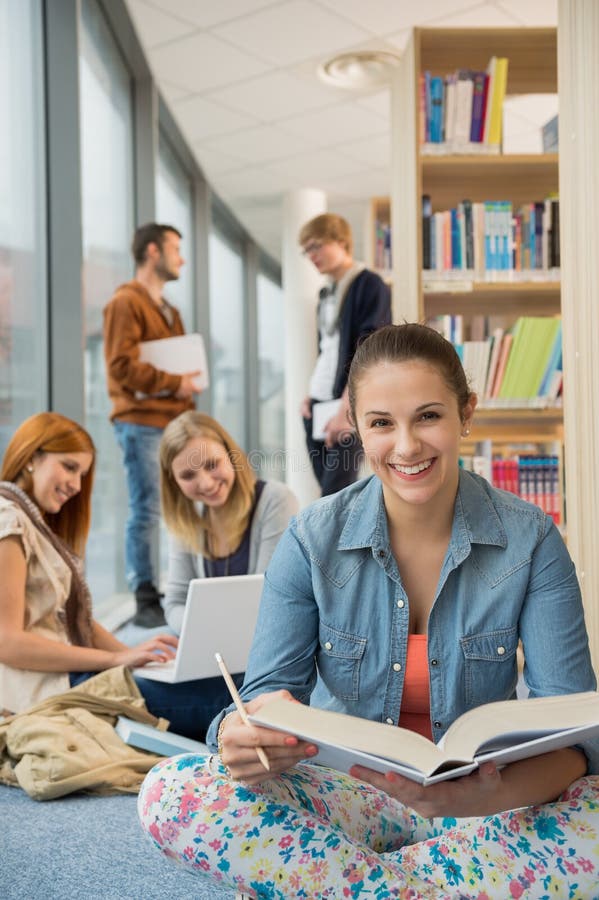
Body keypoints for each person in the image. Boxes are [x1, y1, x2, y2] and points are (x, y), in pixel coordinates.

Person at [138, 324, 599, 897]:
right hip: (347, 801)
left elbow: (578, 740)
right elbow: (263, 696)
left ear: (466, 414)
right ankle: (432, 882)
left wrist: (481, 797)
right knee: (172, 792)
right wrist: (242, 736)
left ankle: (337, 882)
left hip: (490, 806)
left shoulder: (532, 539)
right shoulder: (312, 537)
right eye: (382, 423)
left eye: (428, 416)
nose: (406, 447)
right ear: (356, 427)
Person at [0, 412, 240, 739]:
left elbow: (74, 620)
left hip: (71, 675)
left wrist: (132, 659)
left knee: (220, 683)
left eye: (82, 474)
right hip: (50, 688)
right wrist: (116, 657)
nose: (76, 485)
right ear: (31, 457)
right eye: (69, 467)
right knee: (227, 694)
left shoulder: (31, 521)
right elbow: (7, 643)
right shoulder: (8, 521)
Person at [103, 222, 202, 628]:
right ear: (152, 252)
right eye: (175, 248)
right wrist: (176, 382)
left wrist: (186, 388)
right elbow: (121, 366)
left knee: (183, 503)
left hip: (173, 422)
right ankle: (145, 595)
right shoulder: (125, 303)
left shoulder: (170, 311)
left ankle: (182, 587)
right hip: (141, 423)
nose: (181, 257)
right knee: (145, 509)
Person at [159, 410, 299, 634]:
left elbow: (270, 598)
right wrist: (204, 633)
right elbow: (175, 602)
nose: (205, 484)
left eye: (212, 465)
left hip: (268, 636)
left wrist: (211, 630)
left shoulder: (276, 500)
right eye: (187, 476)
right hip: (210, 639)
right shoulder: (186, 518)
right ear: (173, 482)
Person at [299, 213, 391, 496]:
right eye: (306, 250)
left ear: (341, 242)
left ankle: (338, 543)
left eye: (316, 246)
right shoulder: (326, 295)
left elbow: (369, 350)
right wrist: (310, 395)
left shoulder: (369, 284)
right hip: (318, 404)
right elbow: (327, 352)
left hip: (346, 405)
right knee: (328, 495)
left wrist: (347, 406)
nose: (311, 255)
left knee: (336, 497)